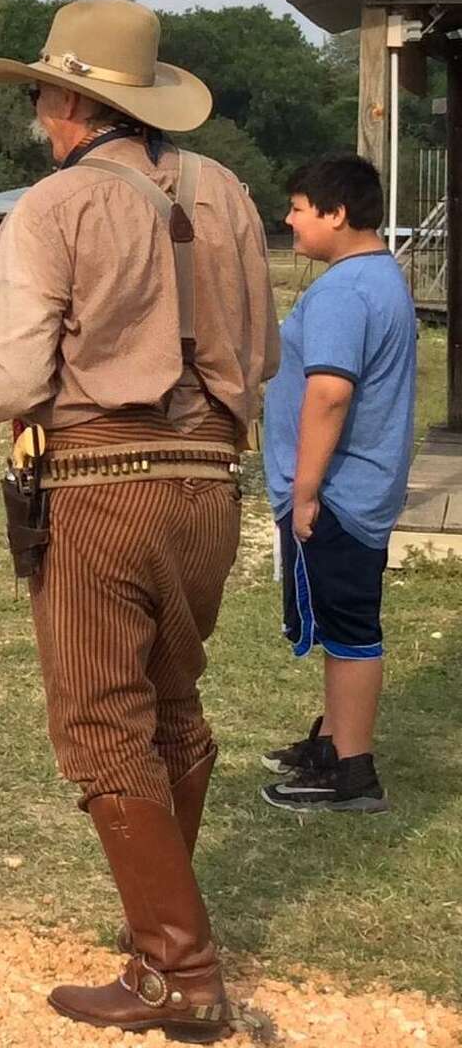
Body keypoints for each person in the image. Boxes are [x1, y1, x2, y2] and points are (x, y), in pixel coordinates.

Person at [0, 0, 277, 1038]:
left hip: (103, 485)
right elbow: (261, 351)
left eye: (44, 98)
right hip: (208, 487)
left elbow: (11, 377)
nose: (41, 117)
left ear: (66, 101)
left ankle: (178, 973)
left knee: (101, 725)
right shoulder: (227, 192)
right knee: (173, 705)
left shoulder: (52, 208)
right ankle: (156, 940)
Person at [259, 156, 413, 815]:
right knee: (337, 624)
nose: (289, 219)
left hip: (338, 496)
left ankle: (353, 773)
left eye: (298, 207)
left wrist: (305, 491)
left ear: (336, 213)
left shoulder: (345, 291)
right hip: (356, 490)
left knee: (350, 630)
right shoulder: (379, 278)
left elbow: (328, 394)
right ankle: (332, 739)